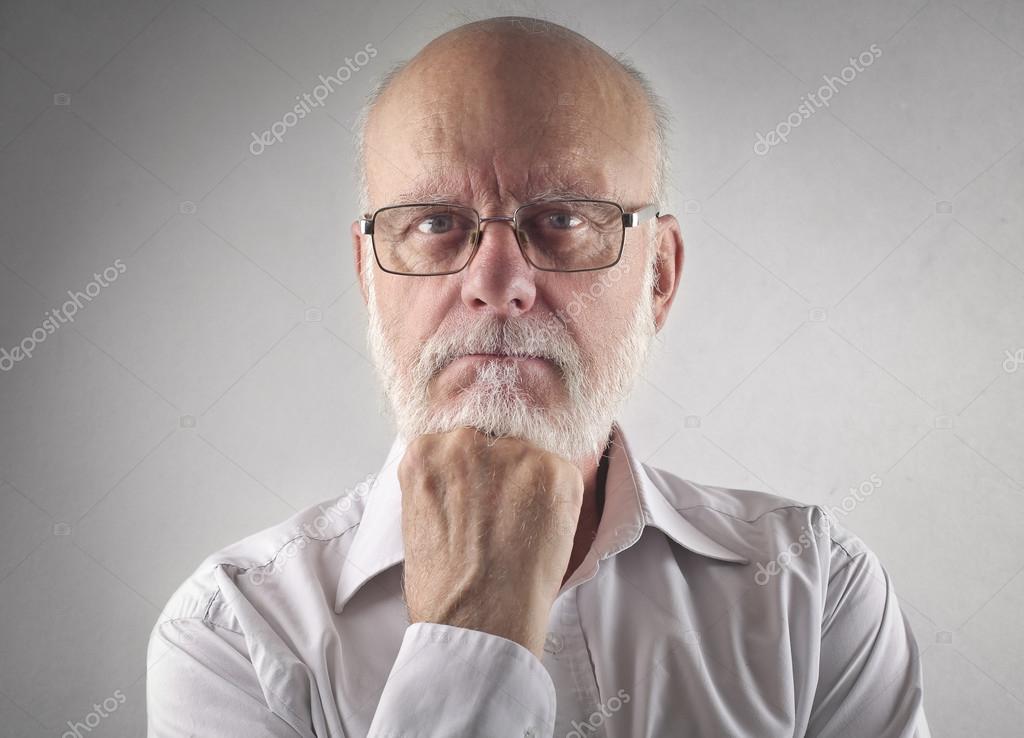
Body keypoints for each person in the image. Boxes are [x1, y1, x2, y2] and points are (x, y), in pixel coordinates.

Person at [147, 16, 929, 737]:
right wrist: (476, 630)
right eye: (433, 223)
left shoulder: (813, 589)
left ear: (658, 275)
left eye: (562, 218)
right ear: (369, 275)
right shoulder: (235, 632)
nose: (497, 281)